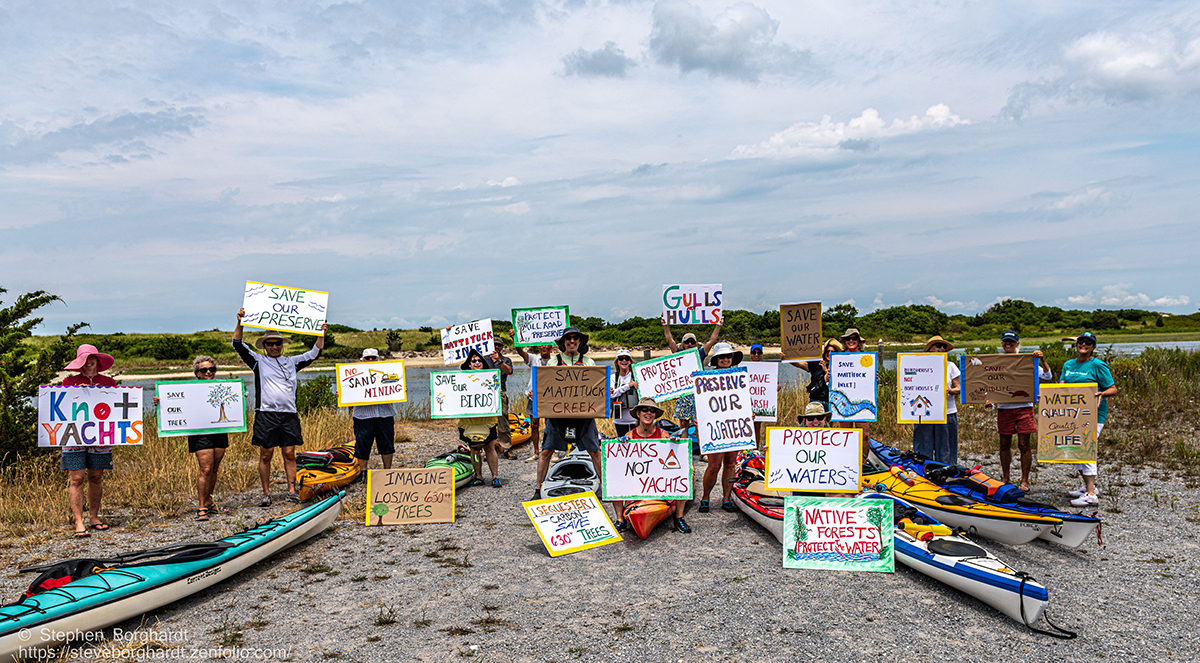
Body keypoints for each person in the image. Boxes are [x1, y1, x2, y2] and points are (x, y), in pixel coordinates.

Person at [232, 308, 325, 506]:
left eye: (277, 343)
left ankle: (292, 490)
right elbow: (237, 344)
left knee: (289, 453)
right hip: (266, 414)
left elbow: (315, 352)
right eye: (270, 344)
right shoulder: (258, 360)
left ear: (282, 344)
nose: (274, 346)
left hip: (289, 414)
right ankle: (266, 493)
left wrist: (321, 332)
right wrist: (240, 322)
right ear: (265, 346)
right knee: (266, 454)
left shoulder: (292, 362)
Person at [533, 327, 603, 500]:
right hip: (557, 418)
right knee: (546, 452)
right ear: (564, 341)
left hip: (584, 418)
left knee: (595, 452)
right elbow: (545, 386)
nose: (572, 341)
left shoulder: (589, 363)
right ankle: (537, 488)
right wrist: (536, 393)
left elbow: (596, 389)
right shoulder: (553, 363)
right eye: (568, 338)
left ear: (580, 341)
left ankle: (605, 487)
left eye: (575, 338)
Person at [60, 344, 118, 537]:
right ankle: (79, 521)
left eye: (91, 357)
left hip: (101, 436)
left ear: (97, 360)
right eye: (84, 359)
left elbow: (119, 408)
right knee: (76, 479)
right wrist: (75, 392)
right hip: (74, 435)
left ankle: (94, 517)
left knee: (96, 477)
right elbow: (59, 407)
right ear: (80, 362)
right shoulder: (69, 382)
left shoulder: (108, 382)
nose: (88, 362)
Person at [1060, 331, 1117, 506]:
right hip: (1071, 414)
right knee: (1074, 450)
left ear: (1093, 347)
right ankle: (1087, 486)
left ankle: (1091, 495)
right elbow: (1061, 386)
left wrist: (1102, 393)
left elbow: (1113, 389)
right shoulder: (1068, 365)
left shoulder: (1098, 365)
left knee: (1086, 448)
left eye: (1088, 343)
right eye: (1081, 342)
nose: (1083, 345)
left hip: (1093, 414)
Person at [992, 331, 1052, 491]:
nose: (1008, 344)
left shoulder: (1028, 361)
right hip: (1004, 408)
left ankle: (1024, 480)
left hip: (1025, 408)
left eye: (1011, 341)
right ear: (1002, 343)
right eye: (1005, 341)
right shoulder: (996, 362)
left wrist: (1042, 360)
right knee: (1004, 444)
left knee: (1024, 444)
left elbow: (1047, 376)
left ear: (1017, 343)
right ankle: (1005, 478)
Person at [628, 397, 692, 533]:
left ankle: (679, 517)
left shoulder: (662, 433)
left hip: (658, 482)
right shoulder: (630, 435)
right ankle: (620, 520)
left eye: (652, 411)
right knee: (616, 481)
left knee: (681, 475)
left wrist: (674, 443)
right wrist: (620, 444)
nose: (649, 413)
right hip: (637, 482)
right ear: (638, 413)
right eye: (645, 410)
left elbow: (670, 454)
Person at [698, 342, 743, 514]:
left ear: (732, 358)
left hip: (734, 426)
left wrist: (749, 415)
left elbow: (744, 401)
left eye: (728, 356)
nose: (725, 359)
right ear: (716, 360)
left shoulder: (740, 377)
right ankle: (705, 497)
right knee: (714, 465)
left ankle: (726, 498)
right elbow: (702, 402)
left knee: (730, 462)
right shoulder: (707, 379)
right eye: (722, 357)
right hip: (715, 426)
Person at [661, 319, 722, 446]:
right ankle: (684, 448)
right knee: (683, 424)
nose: (689, 344)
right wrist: (666, 326)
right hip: (684, 393)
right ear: (682, 344)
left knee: (700, 422)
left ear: (696, 344)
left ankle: (702, 450)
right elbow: (669, 341)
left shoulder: (700, 354)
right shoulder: (678, 353)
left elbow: (711, 341)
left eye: (692, 342)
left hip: (698, 393)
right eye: (687, 342)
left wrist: (718, 326)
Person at [187, 355, 230, 521]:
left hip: (219, 430)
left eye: (211, 369)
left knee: (214, 469)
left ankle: (209, 502)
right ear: (197, 373)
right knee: (205, 469)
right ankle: (201, 506)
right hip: (199, 432)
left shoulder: (221, 387)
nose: (208, 372)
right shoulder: (189, 389)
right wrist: (160, 402)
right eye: (203, 370)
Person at [912, 336, 961, 466]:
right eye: (939, 346)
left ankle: (946, 473)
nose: (942, 349)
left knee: (946, 449)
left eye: (944, 347)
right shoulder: (917, 366)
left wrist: (950, 391)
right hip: (924, 413)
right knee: (923, 447)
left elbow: (959, 388)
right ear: (929, 349)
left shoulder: (950, 366)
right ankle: (923, 472)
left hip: (947, 412)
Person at [458, 349, 501, 487]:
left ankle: (495, 476)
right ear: (469, 364)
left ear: (483, 363)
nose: (477, 363)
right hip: (469, 420)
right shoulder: (460, 379)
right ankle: (478, 476)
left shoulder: (491, 378)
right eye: (474, 361)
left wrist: (499, 394)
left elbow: (498, 396)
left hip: (487, 420)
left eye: (479, 360)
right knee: (474, 448)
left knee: (490, 447)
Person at [351, 348, 396, 473]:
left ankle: (387, 471)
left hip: (385, 413)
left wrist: (401, 390)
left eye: (373, 357)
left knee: (386, 443)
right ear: (362, 360)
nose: (371, 360)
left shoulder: (388, 371)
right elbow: (347, 391)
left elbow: (397, 387)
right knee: (362, 444)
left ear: (378, 358)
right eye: (367, 358)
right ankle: (363, 472)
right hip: (362, 415)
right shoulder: (354, 376)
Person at [515, 343, 555, 451]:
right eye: (541, 345)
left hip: (549, 397)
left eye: (546, 345)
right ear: (538, 347)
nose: (543, 347)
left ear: (551, 347)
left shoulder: (555, 361)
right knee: (534, 425)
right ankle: (536, 451)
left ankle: (551, 450)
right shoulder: (534, 359)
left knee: (549, 425)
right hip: (533, 397)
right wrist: (515, 339)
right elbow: (520, 352)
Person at [838, 329, 871, 441]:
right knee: (846, 435)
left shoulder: (866, 357)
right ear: (844, 341)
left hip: (862, 400)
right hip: (843, 402)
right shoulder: (838, 357)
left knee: (864, 435)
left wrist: (876, 380)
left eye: (854, 338)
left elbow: (871, 380)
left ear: (859, 341)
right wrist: (828, 377)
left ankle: (864, 459)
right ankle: (848, 458)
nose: (851, 341)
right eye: (848, 339)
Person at [487, 338, 515, 454]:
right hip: (485, 394)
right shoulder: (483, 359)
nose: (496, 347)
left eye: (499, 345)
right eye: (494, 345)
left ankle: (506, 447)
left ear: (502, 347)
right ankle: (488, 449)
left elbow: (509, 371)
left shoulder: (506, 360)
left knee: (503, 419)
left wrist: (499, 361)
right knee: (487, 422)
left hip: (500, 393)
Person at [611, 349, 639, 437]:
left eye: (627, 358)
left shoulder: (637, 375)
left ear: (630, 362)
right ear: (617, 361)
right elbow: (612, 394)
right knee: (623, 446)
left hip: (635, 419)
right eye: (620, 358)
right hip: (619, 420)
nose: (624, 361)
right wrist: (628, 385)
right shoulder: (612, 377)